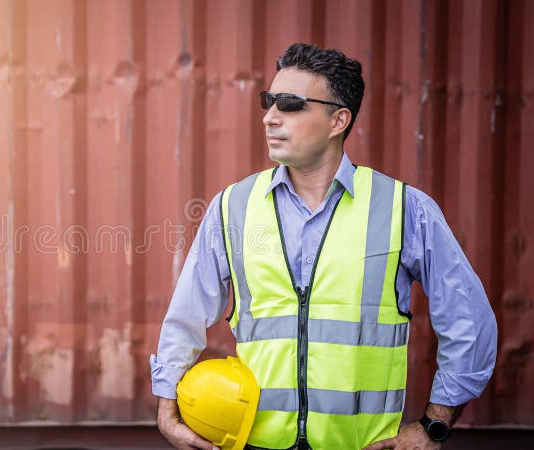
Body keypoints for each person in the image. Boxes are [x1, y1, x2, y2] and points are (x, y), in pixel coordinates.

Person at [150, 43, 498, 450]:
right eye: (269, 101)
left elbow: (469, 323)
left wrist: (433, 425)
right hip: (254, 444)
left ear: (339, 120)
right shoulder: (232, 207)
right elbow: (185, 316)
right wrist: (167, 407)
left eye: (290, 104)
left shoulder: (405, 209)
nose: (269, 117)